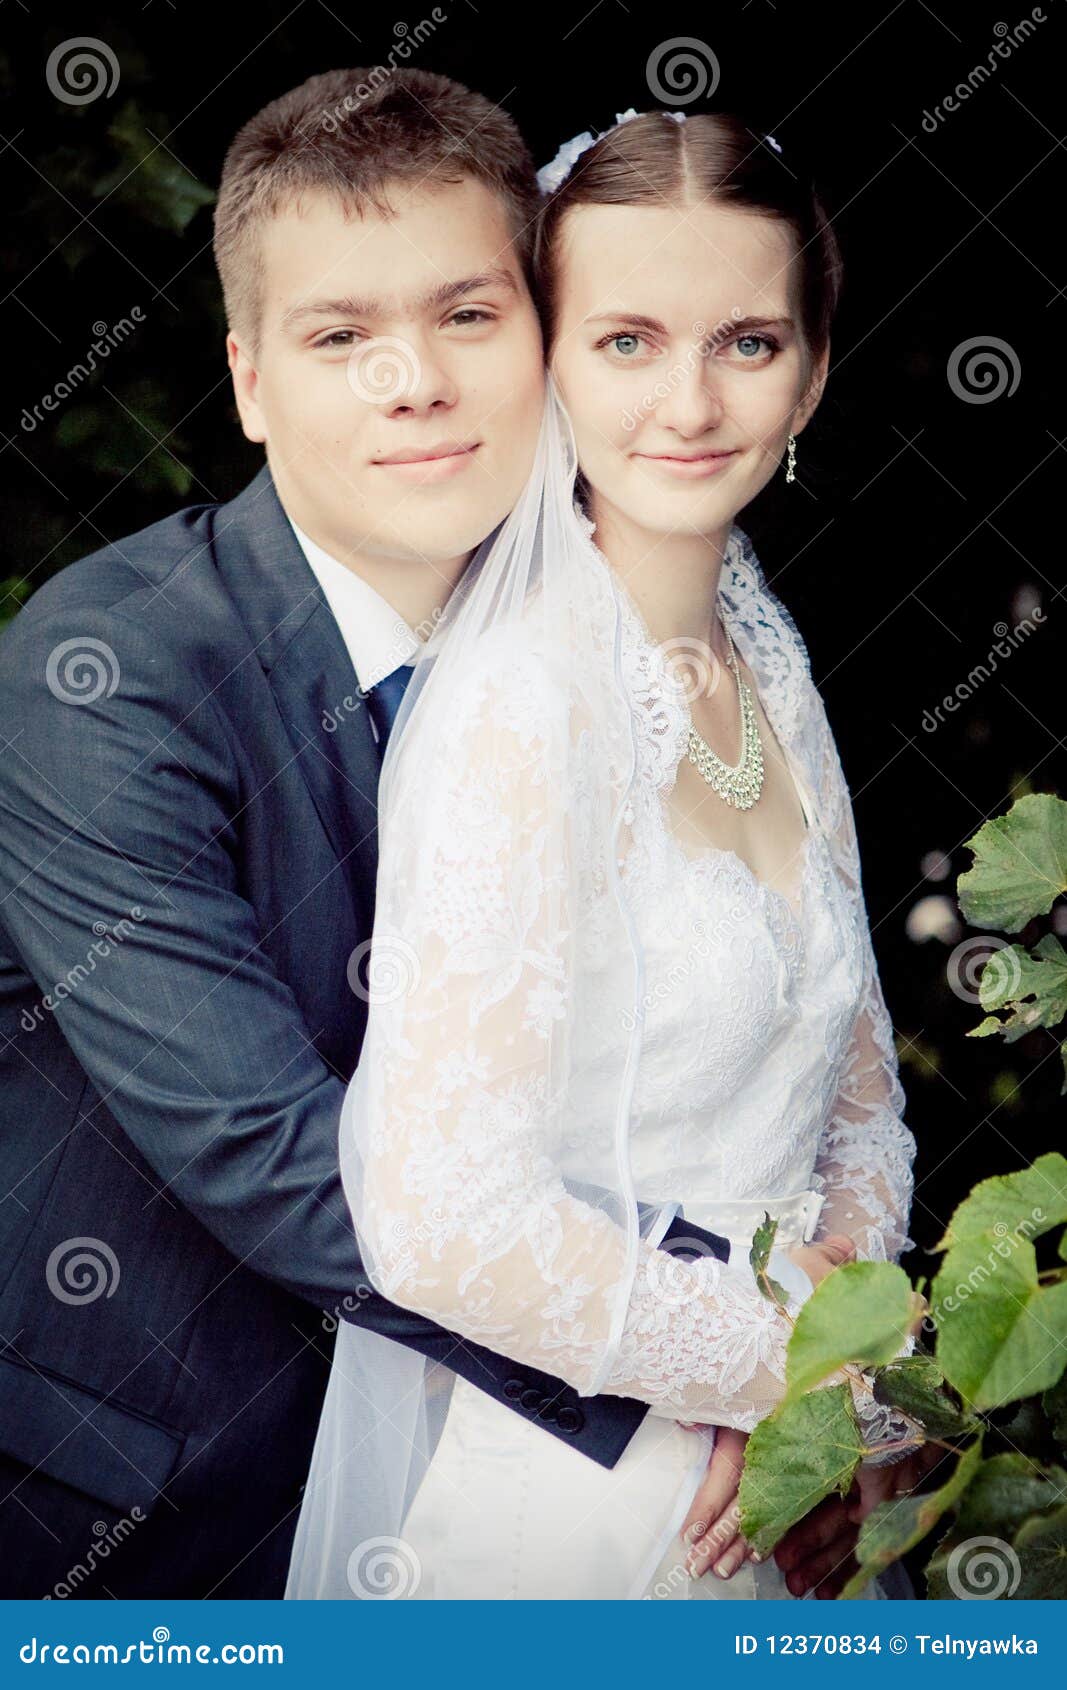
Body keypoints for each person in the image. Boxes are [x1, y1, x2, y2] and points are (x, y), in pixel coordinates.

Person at [0, 71, 729, 1599]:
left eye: (468, 315)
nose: (415, 382)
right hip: (153, 1510)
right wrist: (723, 1372)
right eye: (341, 337)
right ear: (253, 380)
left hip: (530, 1504)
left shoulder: (636, 648)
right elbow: (277, 1160)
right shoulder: (110, 675)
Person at [287, 108, 920, 1602]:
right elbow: (440, 1224)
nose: (690, 401)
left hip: (791, 1493)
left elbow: (862, 1105)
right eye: (627, 340)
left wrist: (851, 1400)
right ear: (550, 363)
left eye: (748, 343)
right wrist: (789, 1372)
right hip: (579, 1509)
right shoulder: (518, 703)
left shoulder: (766, 659)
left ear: (814, 372)